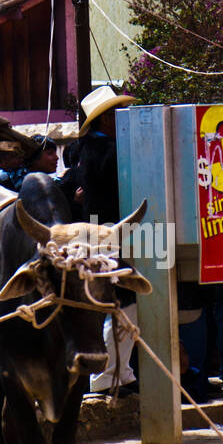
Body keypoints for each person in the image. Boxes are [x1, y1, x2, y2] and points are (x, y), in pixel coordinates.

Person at [61, 85, 138, 395]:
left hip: (96, 236)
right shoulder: (107, 153)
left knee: (115, 305)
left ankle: (118, 373)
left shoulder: (84, 152)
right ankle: (108, 376)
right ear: (106, 120)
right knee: (122, 304)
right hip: (109, 237)